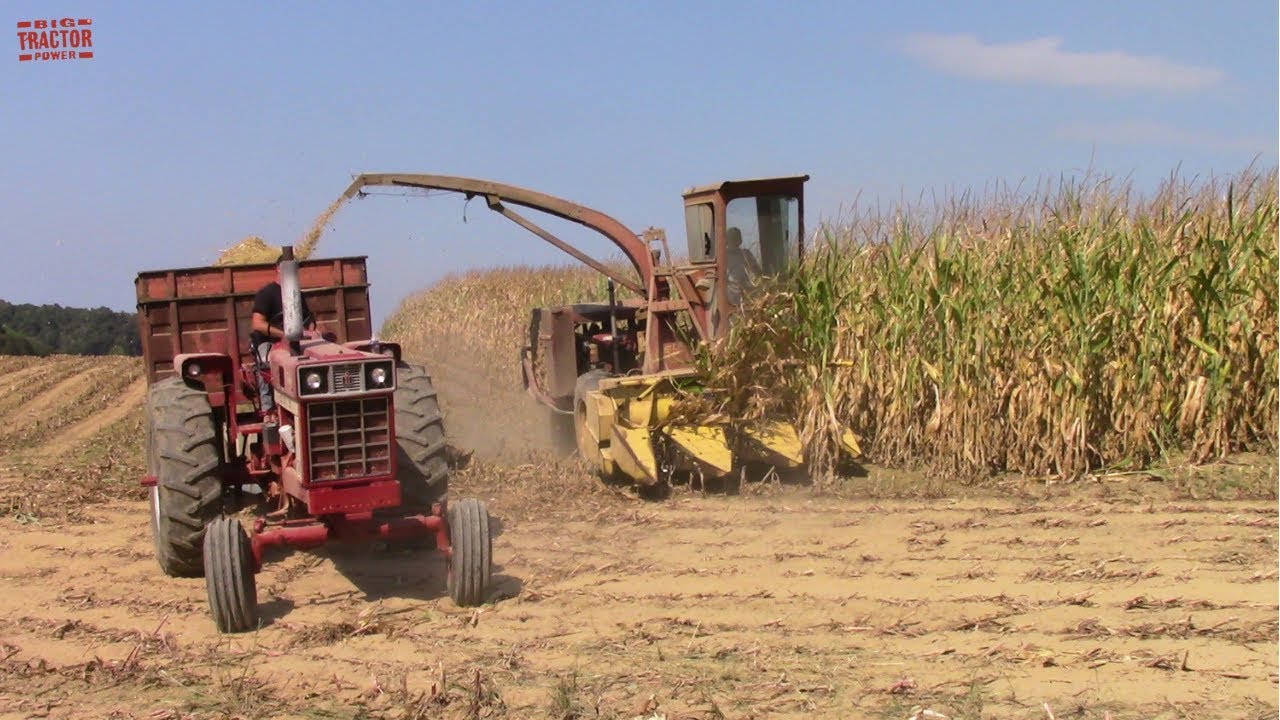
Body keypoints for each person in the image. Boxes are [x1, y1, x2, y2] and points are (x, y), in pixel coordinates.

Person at [250, 279, 315, 414]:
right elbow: (257, 324)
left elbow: (308, 320)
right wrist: (283, 334)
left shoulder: (297, 294)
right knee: (266, 361)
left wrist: (312, 332)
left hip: (295, 340)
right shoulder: (266, 293)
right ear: (278, 269)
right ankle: (268, 410)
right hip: (270, 341)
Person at [724, 227, 761, 305]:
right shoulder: (746, 254)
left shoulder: (722, 256)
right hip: (736, 297)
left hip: (738, 296)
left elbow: (757, 272)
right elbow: (758, 273)